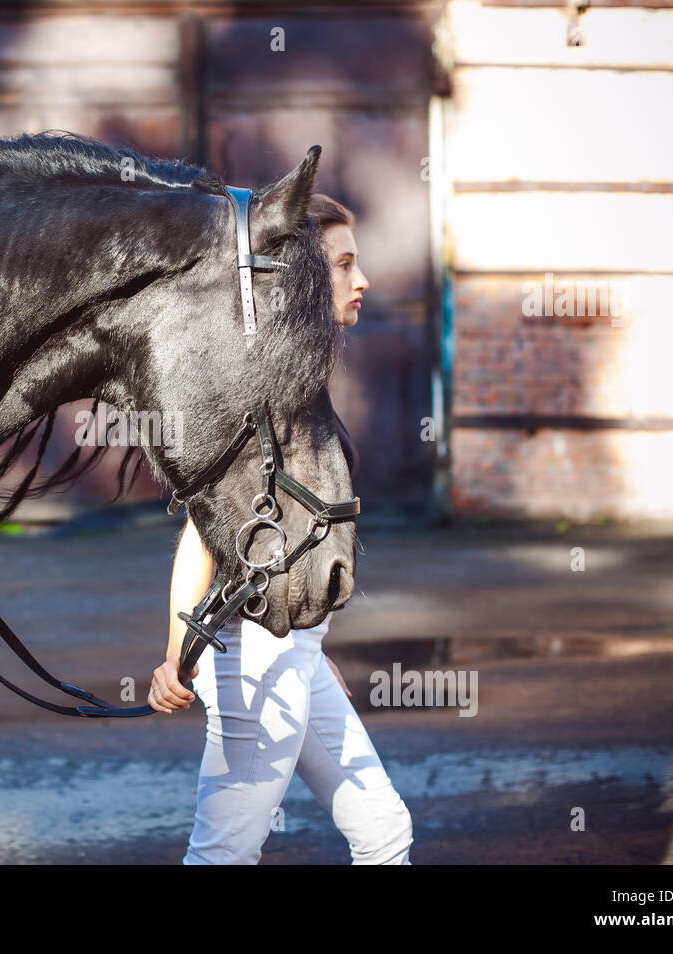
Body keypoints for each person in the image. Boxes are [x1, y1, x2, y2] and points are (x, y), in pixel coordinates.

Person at [149, 193, 413, 865]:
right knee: (224, 855)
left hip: (292, 649)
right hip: (255, 654)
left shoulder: (301, 379)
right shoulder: (263, 391)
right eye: (345, 264)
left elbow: (291, 537)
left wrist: (314, 643)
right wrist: (179, 650)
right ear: (301, 275)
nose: (363, 282)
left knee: (385, 831)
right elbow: (204, 532)